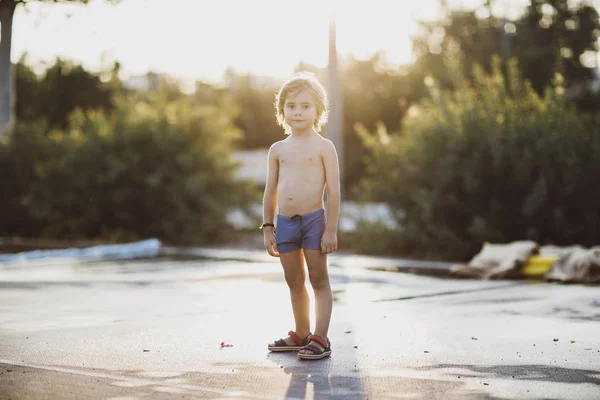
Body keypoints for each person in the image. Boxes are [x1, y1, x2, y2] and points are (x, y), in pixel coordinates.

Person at [260, 72, 340, 360]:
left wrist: (330, 229)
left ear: (318, 110)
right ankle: (301, 332)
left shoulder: (324, 147)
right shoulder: (277, 149)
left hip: (314, 222)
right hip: (284, 223)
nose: (297, 111)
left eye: (305, 106)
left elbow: (334, 192)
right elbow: (270, 191)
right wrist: (268, 228)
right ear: (282, 111)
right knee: (293, 279)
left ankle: (320, 338)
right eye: (291, 106)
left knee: (318, 280)